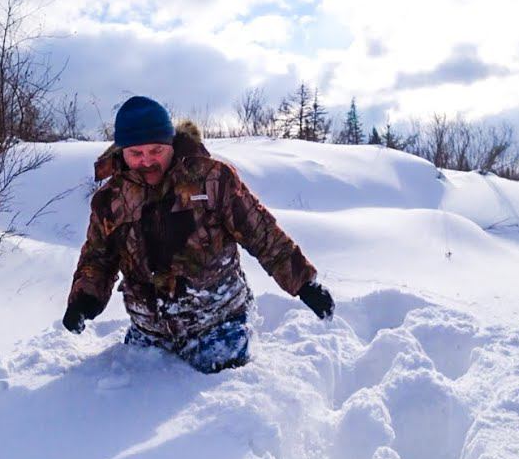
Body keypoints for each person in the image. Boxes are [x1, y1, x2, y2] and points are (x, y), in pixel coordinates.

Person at [63, 95, 334, 373]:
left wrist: (304, 284)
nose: (147, 162)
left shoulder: (213, 179)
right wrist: (84, 300)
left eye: (156, 150)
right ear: (121, 152)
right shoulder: (110, 199)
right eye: (136, 154)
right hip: (150, 331)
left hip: (217, 321)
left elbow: (262, 233)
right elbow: (98, 258)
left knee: (218, 397)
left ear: (171, 143)